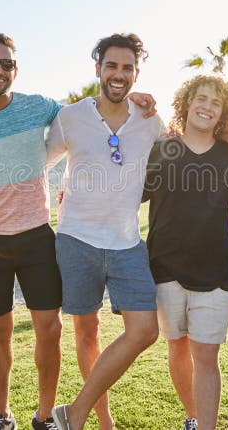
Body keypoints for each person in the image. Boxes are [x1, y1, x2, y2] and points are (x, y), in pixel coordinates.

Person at [0, 31, 157, 430]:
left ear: (16, 68)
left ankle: (46, 415)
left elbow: (94, 120)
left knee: (50, 328)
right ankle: (1, 413)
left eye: (5, 63)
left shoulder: (41, 108)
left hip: (36, 236)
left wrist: (134, 97)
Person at [48, 33, 165, 430]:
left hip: (127, 242)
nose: (119, 74)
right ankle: (101, 420)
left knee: (145, 329)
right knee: (87, 331)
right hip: (76, 238)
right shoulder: (70, 117)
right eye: (111, 66)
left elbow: (181, 152)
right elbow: (37, 164)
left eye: (127, 67)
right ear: (98, 69)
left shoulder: (149, 120)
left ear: (136, 73)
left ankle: (75, 410)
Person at [143, 75, 228, 430]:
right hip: (164, 267)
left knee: (206, 354)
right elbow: (127, 193)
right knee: (177, 346)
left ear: (223, 114)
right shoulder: (163, 149)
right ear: (186, 104)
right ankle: (192, 416)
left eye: (216, 103)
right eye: (201, 99)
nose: (207, 107)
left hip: (213, 271)